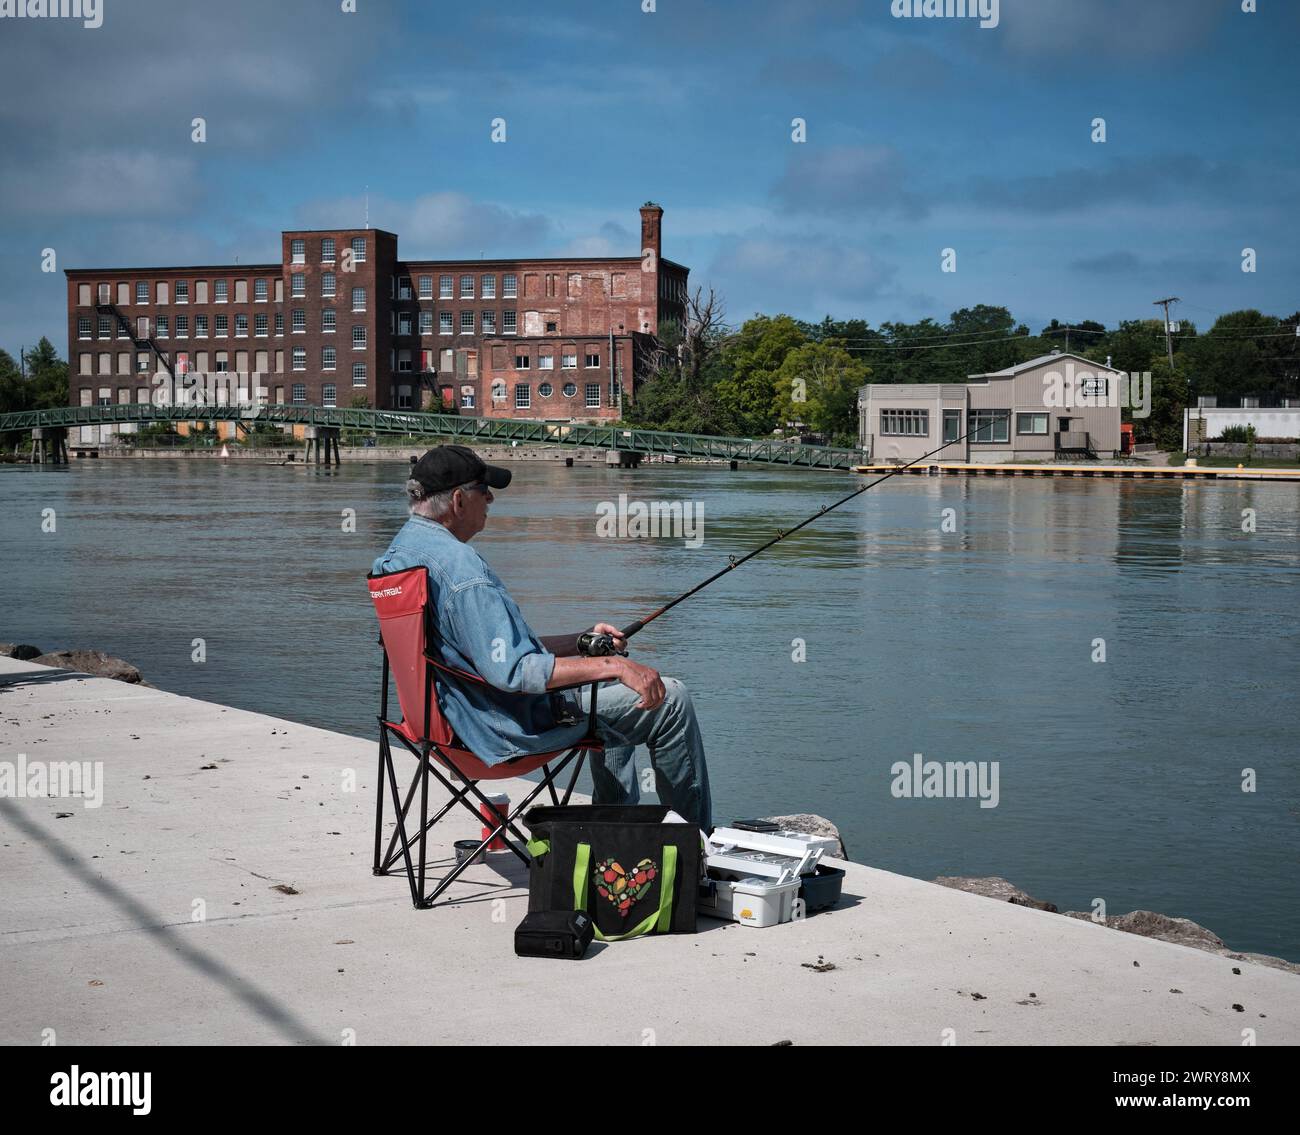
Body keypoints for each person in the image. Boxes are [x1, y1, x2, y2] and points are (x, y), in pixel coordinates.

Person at [371, 444, 712, 830]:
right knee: (670, 700)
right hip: (494, 728)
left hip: (439, 720)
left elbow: (488, 653)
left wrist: (581, 643)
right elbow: (515, 672)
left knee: (607, 688)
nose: (491, 498)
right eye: (484, 490)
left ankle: (617, 830)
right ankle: (697, 846)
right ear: (458, 500)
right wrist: (615, 666)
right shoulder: (462, 570)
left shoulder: (397, 555)